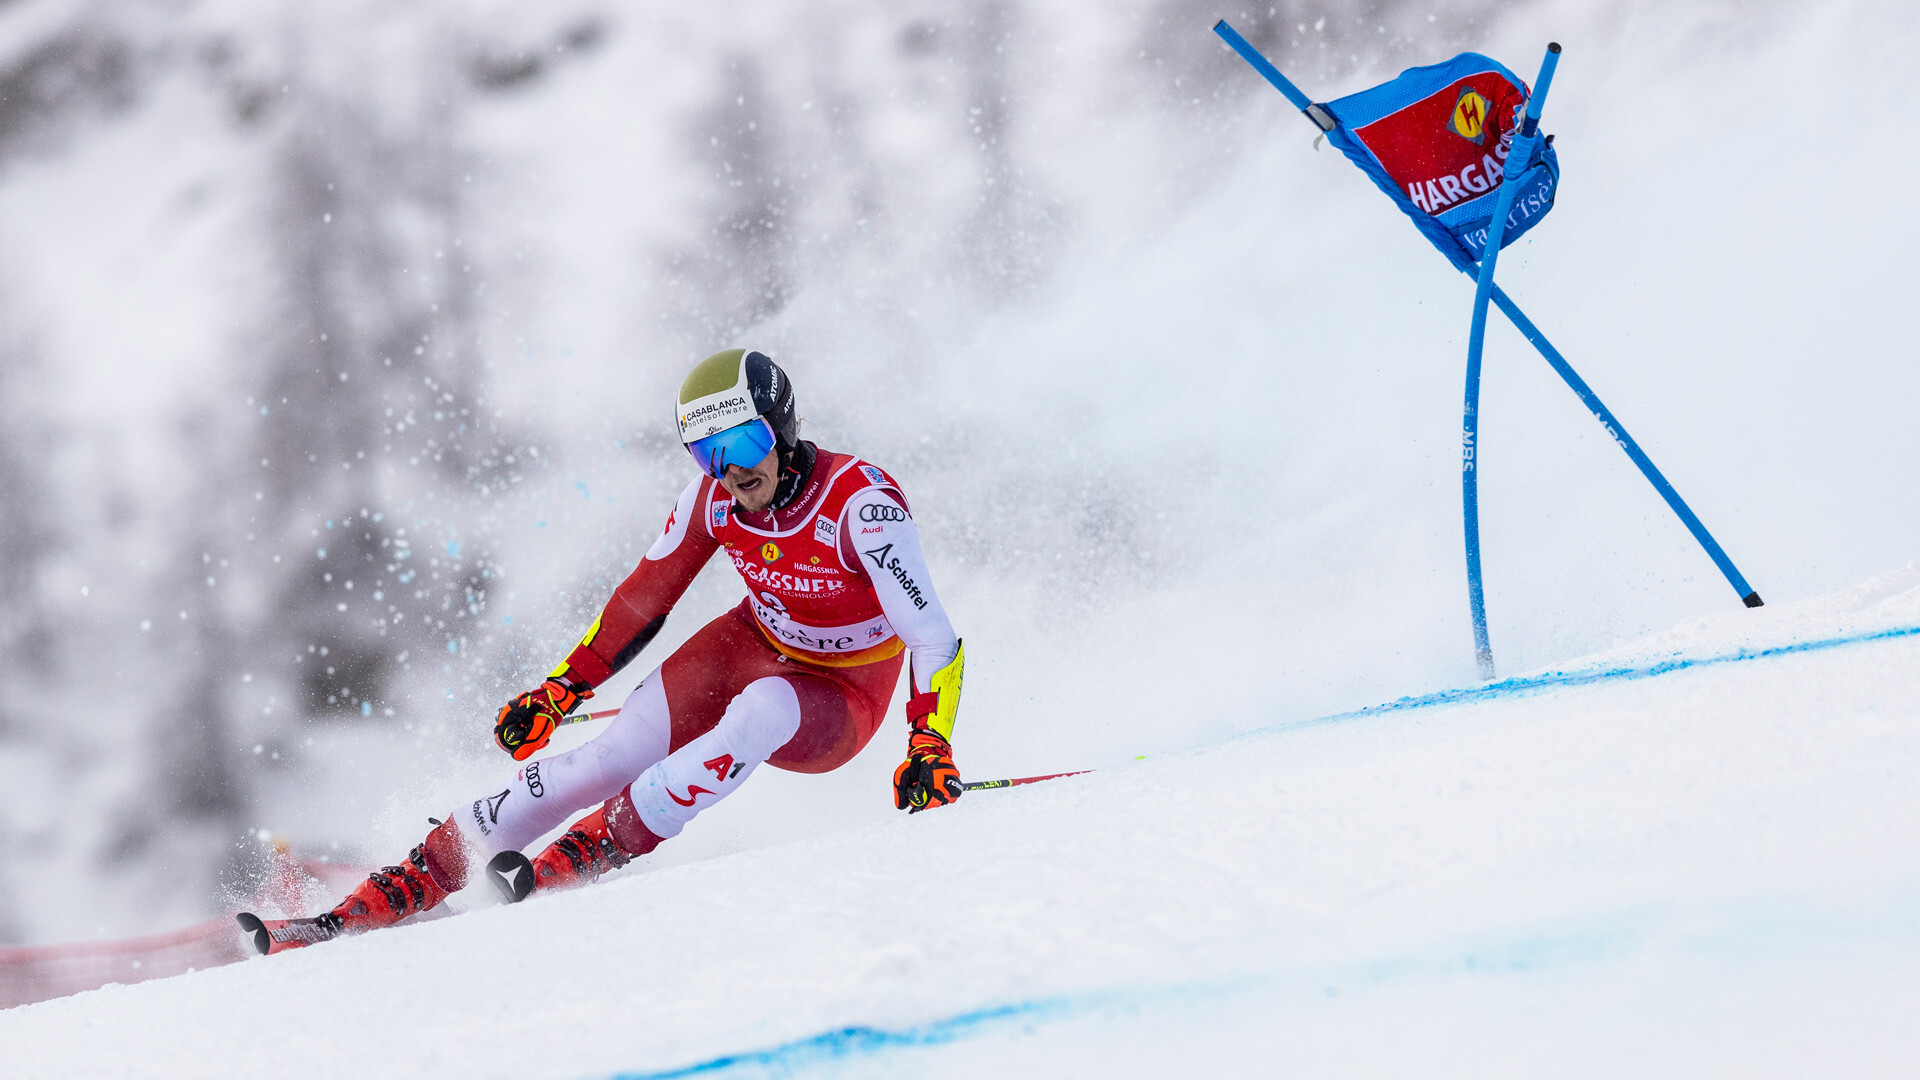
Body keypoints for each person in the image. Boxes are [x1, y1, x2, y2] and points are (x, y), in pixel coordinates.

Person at [239, 349, 964, 954]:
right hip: (753, 643)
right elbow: (640, 601)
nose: (732, 471)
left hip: (840, 693)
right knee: (609, 756)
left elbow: (933, 636)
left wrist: (930, 745)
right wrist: (561, 690)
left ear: (781, 429)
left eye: (743, 445)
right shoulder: (710, 500)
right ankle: (416, 878)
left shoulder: (860, 506)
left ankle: (588, 850)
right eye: (708, 453)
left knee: (763, 707)